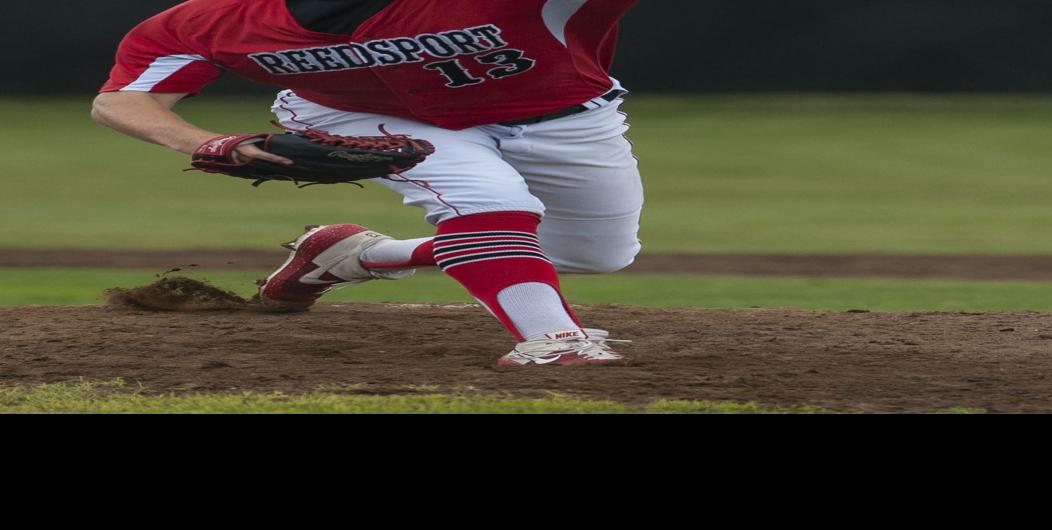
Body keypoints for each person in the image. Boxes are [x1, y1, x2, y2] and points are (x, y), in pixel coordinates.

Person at [92, 0, 643, 366]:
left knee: (595, 254)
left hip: (564, 116)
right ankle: (553, 340)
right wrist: (207, 142)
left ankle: (351, 255)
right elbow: (118, 101)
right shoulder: (215, 19)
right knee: (489, 202)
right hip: (356, 116)